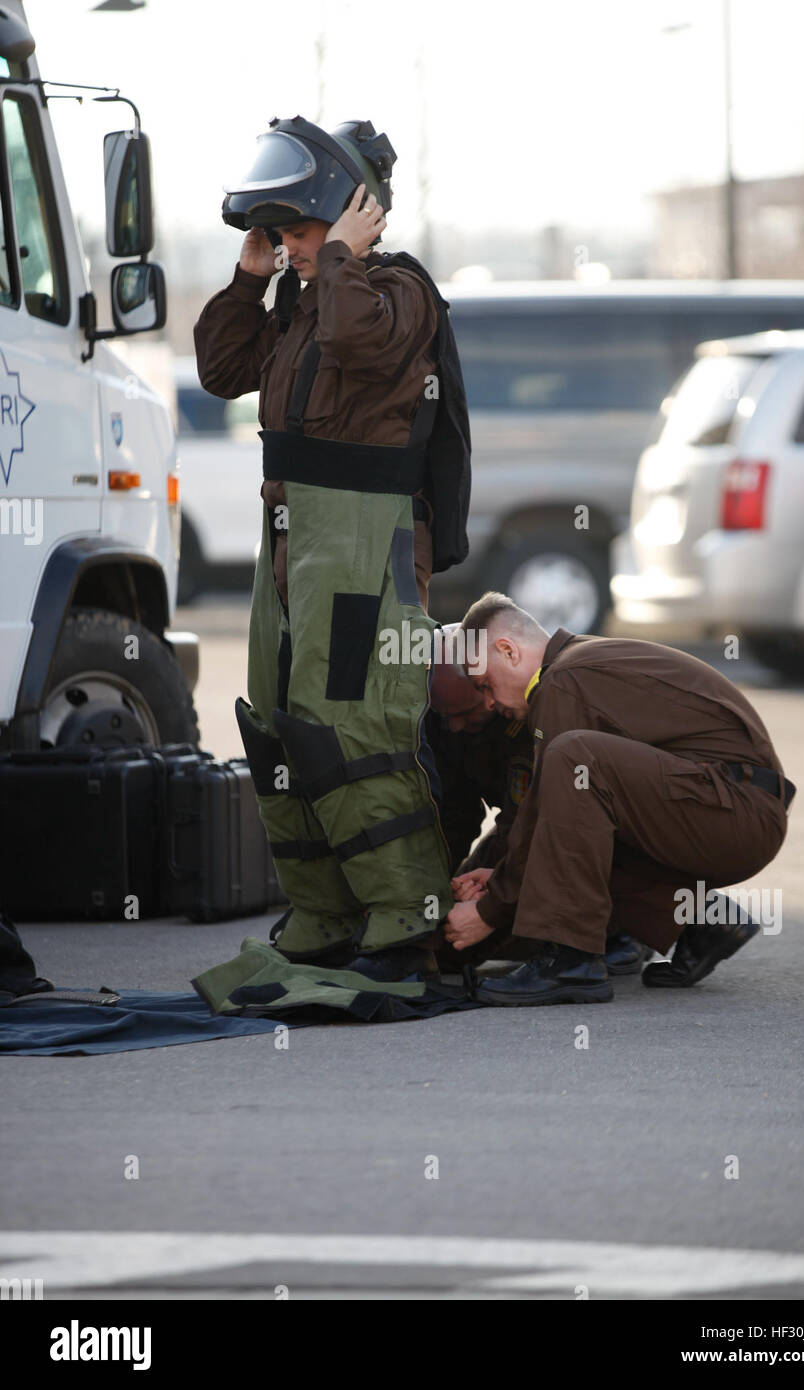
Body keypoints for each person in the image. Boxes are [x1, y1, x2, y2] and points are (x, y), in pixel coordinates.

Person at [194, 116, 470, 979]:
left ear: (358, 212)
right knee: (282, 724)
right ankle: (324, 912)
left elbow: (362, 340)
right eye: (280, 233)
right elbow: (220, 369)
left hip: (367, 540)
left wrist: (343, 254)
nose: (290, 246)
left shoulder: (396, 290)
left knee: (357, 724)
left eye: (302, 229)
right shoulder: (300, 301)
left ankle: (405, 917)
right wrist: (252, 273)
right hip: (292, 534)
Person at [444, 593, 795, 1005]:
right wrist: (495, 872)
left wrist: (489, 913)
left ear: (508, 650)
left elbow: (542, 819)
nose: (487, 703)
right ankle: (699, 921)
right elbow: (535, 813)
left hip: (739, 812)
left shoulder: (563, 681)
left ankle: (571, 962)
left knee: (578, 760)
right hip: (727, 807)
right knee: (579, 814)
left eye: (485, 684)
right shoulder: (570, 670)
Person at [427, 627, 646, 975]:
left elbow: (548, 829)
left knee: (507, 912)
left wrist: (491, 906)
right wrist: (435, 888)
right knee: (445, 936)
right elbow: (453, 815)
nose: (455, 726)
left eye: (466, 712)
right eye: (446, 716)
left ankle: (623, 931)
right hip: (519, 831)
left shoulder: (543, 707)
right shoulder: (447, 721)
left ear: (488, 685)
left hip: (601, 836)